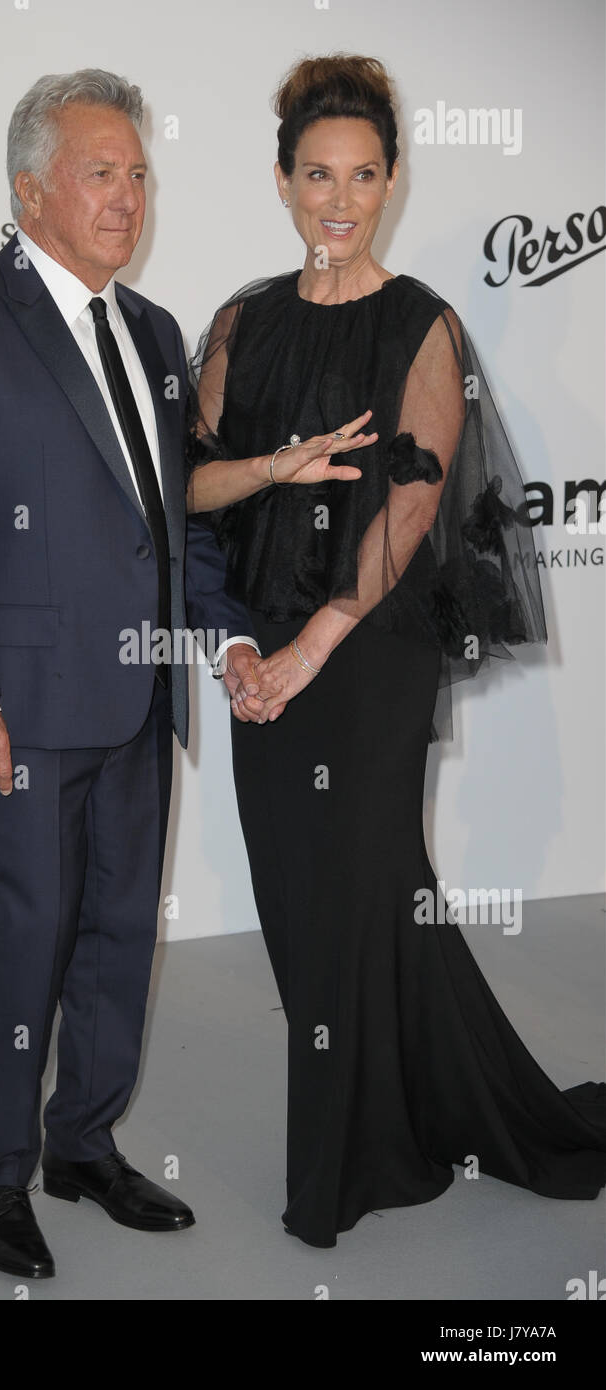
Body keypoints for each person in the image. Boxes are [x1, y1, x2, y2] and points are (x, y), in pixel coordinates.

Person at [187, 53, 606, 1248]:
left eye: (361, 174)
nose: (338, 196)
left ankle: (345, 1164)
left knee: (360, 884)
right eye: (315, 172)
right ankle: (440, 1095)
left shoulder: (423, 322)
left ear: (389, 183)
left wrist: (312, 648)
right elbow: (189, 485)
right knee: (301, 892)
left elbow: (412, 506)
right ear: (279, 181)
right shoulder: (238, 322)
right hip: (258, 640)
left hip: (365, 654)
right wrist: (263, 495)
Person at [0, 69, 276, 1279]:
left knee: (116, 934)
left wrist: (225, 632)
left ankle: (83, 1144)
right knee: (27, 935)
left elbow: (170, 523)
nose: (127, 196)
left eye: (138, 173)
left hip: (141, 694)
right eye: (101, 172)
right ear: (29, 189)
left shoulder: (155, 332)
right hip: (24, 706)